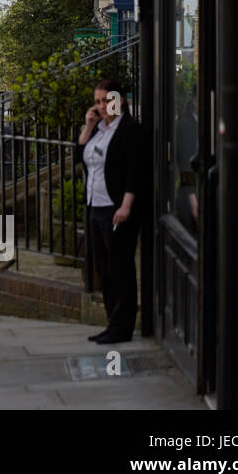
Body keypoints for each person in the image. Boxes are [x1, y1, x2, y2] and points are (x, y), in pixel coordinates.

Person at [77, 77, 150, 343]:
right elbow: (80, 154)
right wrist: (88, 125)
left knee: (121, 268)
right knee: (104, 268)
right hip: (96, 206)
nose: (103, 106)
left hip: (117, 209)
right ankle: (112, 323)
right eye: (98, 101)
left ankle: (123, 326)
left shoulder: (130, 130)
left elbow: (135, 171)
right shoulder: (100, 130)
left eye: (107, 100)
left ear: (120, 100)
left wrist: (126, 205)